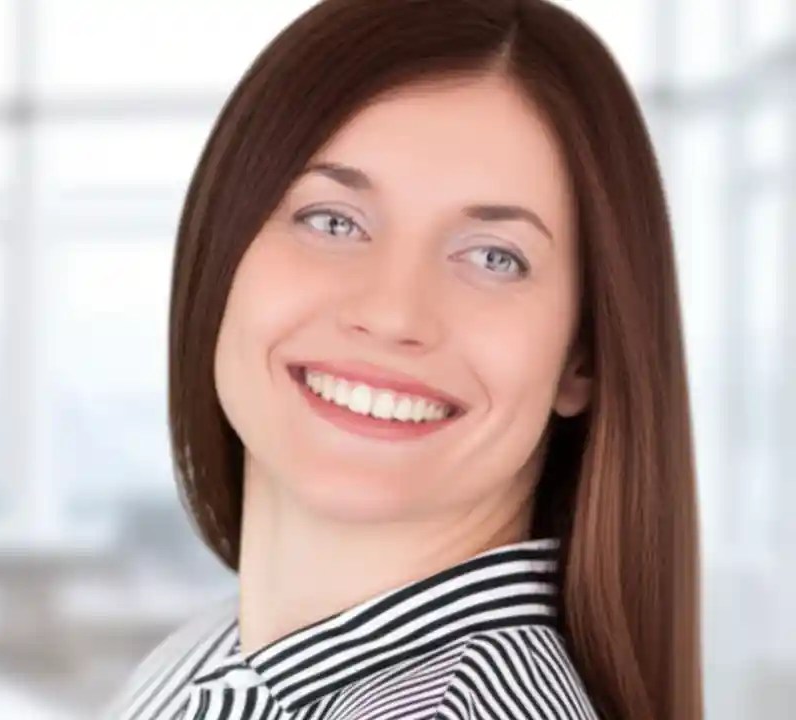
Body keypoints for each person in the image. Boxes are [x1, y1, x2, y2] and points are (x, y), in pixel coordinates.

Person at [103, 0, 703, 718]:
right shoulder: (189, 663)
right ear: (220, 253)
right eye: (333, 221)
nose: (393, 314)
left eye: (493, 258)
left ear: (583, 359)